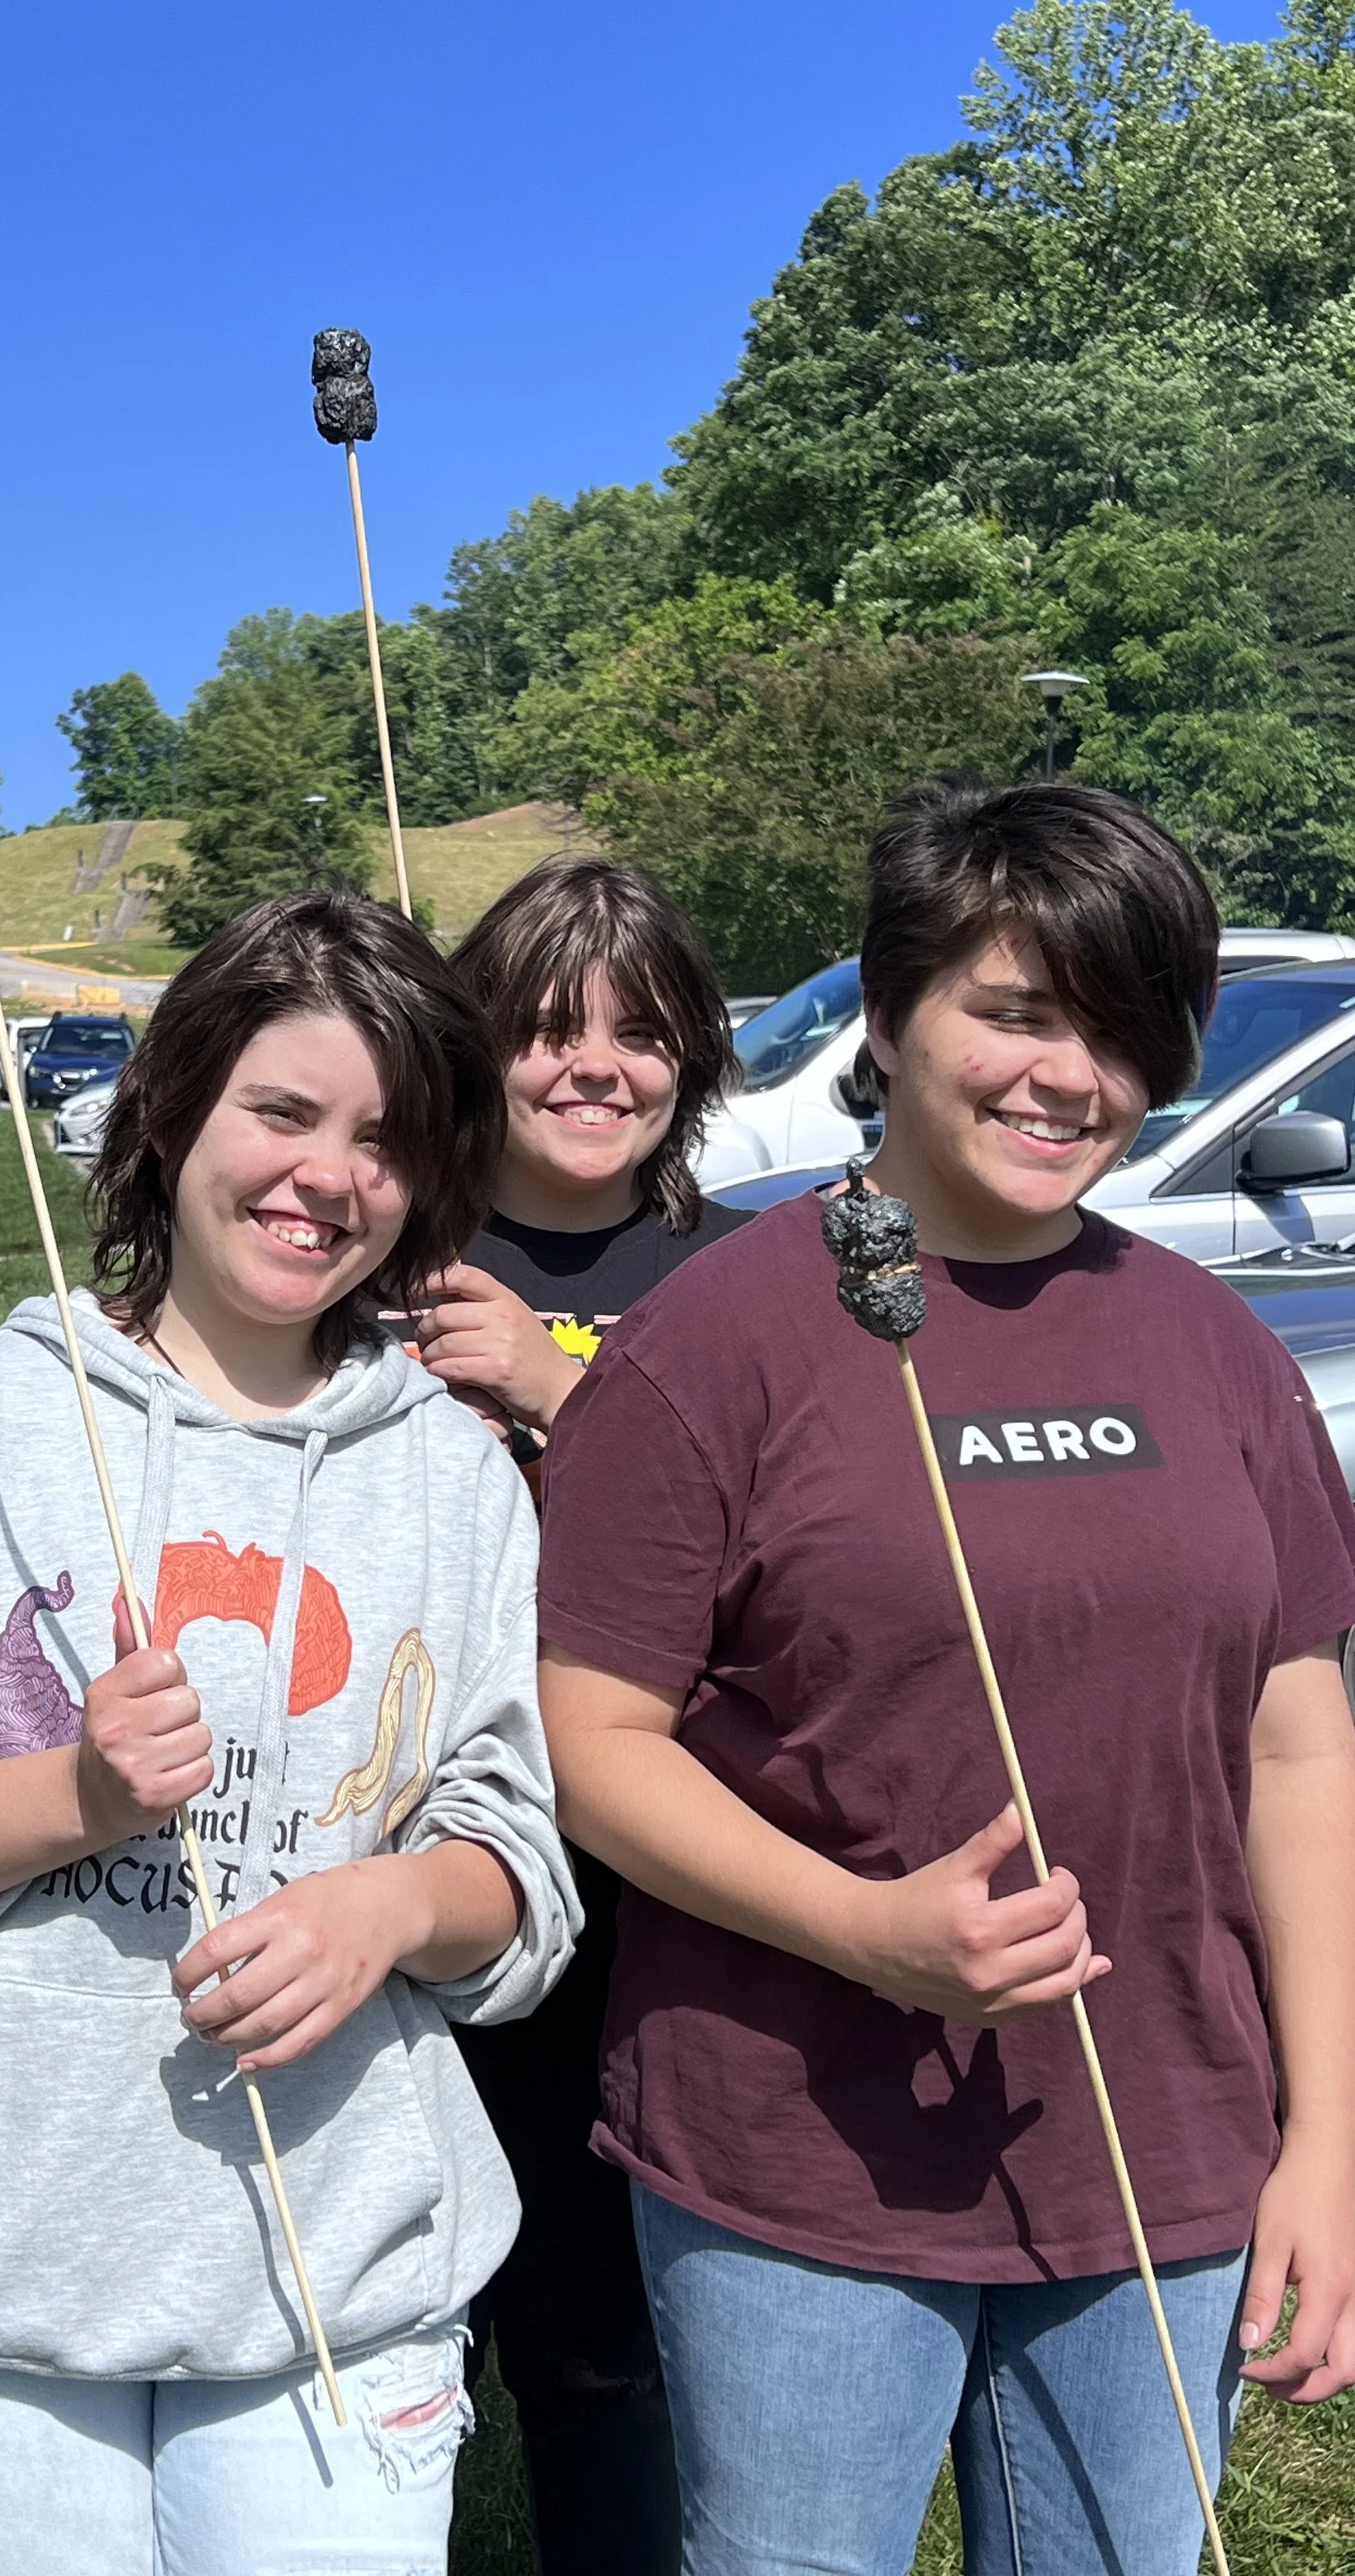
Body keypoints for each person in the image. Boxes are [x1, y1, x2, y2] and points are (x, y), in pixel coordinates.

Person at [536, 781, 1355, 2575]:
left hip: (1165, 2142)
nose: (1072, 1074)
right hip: (795, 2163)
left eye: (1127, 1032)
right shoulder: (711, 1341)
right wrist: (865, 1930)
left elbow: (1296, 1746)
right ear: (891, 1013)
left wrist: (1325, 2136)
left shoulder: (1213, 1350)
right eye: (1015, 1010)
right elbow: (594, 1739)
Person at [0, 890, 579, 2576]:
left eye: (384, 1141)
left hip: (339, 2258)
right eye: (281, 1109)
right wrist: (78, 1790)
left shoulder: (453, 1472)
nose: (325, 1177)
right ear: (173, 1105)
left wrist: (392, 1907)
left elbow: (519, 1864)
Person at [414, 857, 743, 2576]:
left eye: (640, 1030)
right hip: (426, 1854)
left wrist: (560, 1393)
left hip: (660, 1880)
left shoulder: (748, 1273)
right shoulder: (388, 1248)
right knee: (408, 2316)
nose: (591, 1064)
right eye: (544, 1027)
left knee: (602, 2336)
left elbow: (801, 1552)